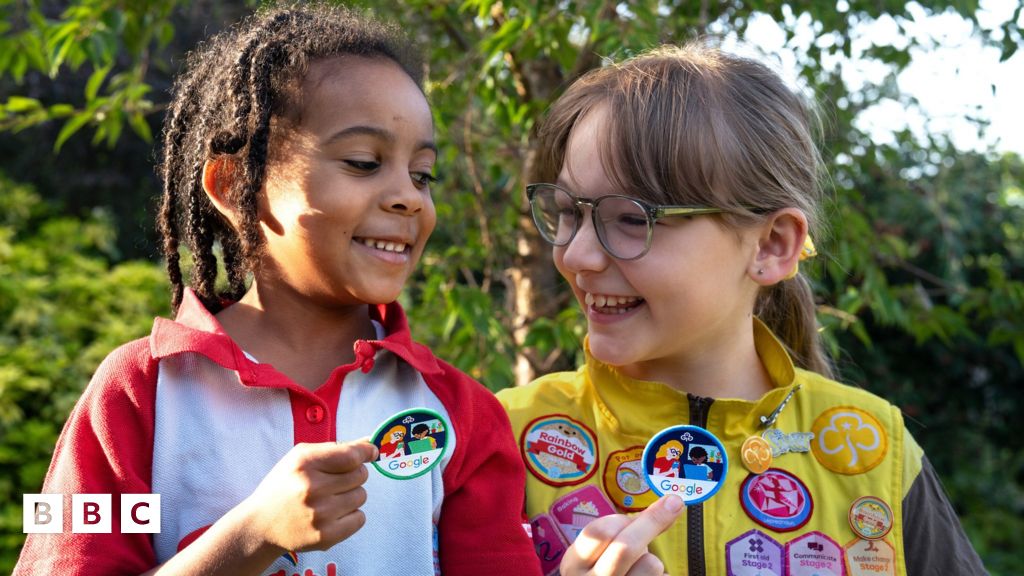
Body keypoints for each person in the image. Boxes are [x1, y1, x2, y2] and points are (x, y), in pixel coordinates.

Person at [14, 5, 538, 576]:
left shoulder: (464, 415)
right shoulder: (132, 397)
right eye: (364, 162)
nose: (409, 197)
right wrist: (249, 535)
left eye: (423, 173)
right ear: (237, 184)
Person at [497, 43, 987, 575]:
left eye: (633, 219)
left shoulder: (876, 454)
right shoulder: (501, 437)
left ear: (772, 244)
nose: (576, 255)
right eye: (569, 211)